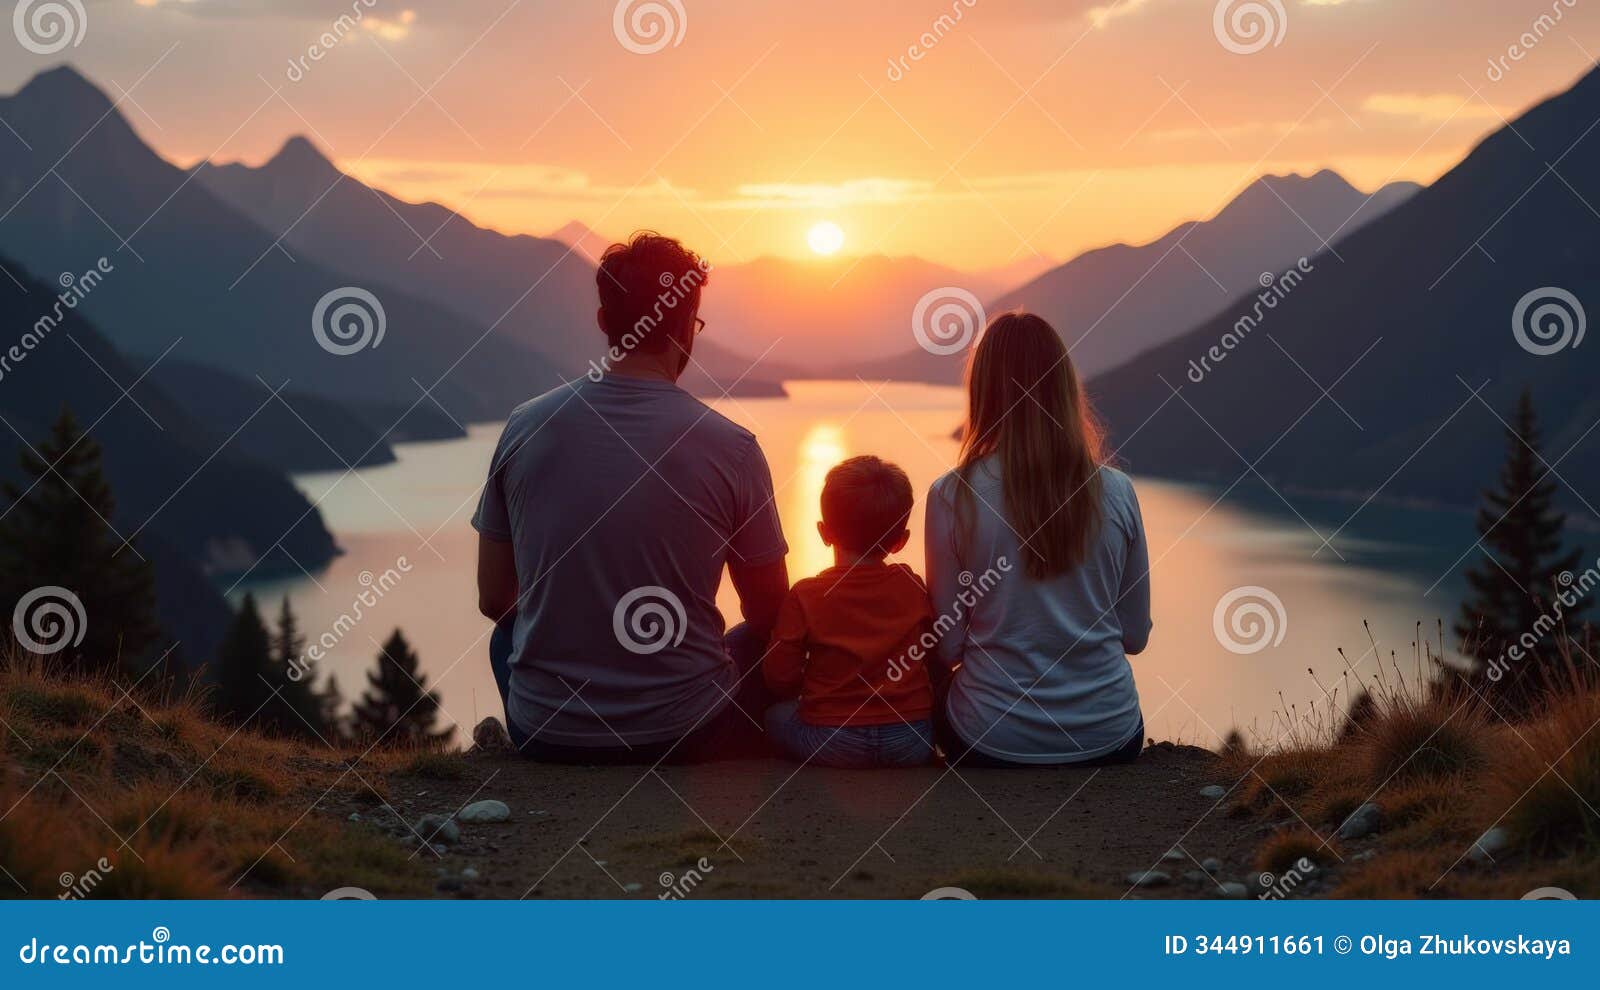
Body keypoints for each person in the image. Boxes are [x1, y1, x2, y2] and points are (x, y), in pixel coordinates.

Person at [474, 232, 789, 763]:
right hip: (685, 733)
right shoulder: (732, 447)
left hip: (548, 735)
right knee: (755, 645)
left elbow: (493, 599)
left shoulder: (525, 426)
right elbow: (770, 612)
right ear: (689, 327)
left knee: (507, 641)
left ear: (603, 321)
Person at [925, 312, 1152, 767]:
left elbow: (946, 648)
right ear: (1065, 387)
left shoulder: (951, 496)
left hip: (988, 738)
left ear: (983, 391)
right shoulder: (1117, 491)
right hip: (1109, 734)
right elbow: (1134, 635)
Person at [762, 456, 936, 768]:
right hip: (910, 739)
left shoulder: (806, 595)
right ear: (900, 541)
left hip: (832, 740)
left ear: (824, 532)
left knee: (774, 716)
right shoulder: (912, 586)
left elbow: (778, 676)